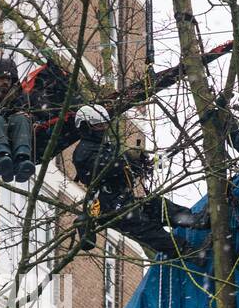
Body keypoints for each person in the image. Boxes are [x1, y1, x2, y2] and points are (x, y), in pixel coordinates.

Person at [70, 104, 208, 256]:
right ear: (85, 127)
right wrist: (130, 159)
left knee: (157, 205)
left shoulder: (105, 146)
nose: (102, 128)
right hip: (110, 207)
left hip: (123, 200)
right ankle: (188, 251)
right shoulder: (83, 152)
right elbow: (108, 168)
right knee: (146, 228)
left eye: (104, 124)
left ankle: (196, 220)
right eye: (98, 125)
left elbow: (121, 167)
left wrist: (142, 162)